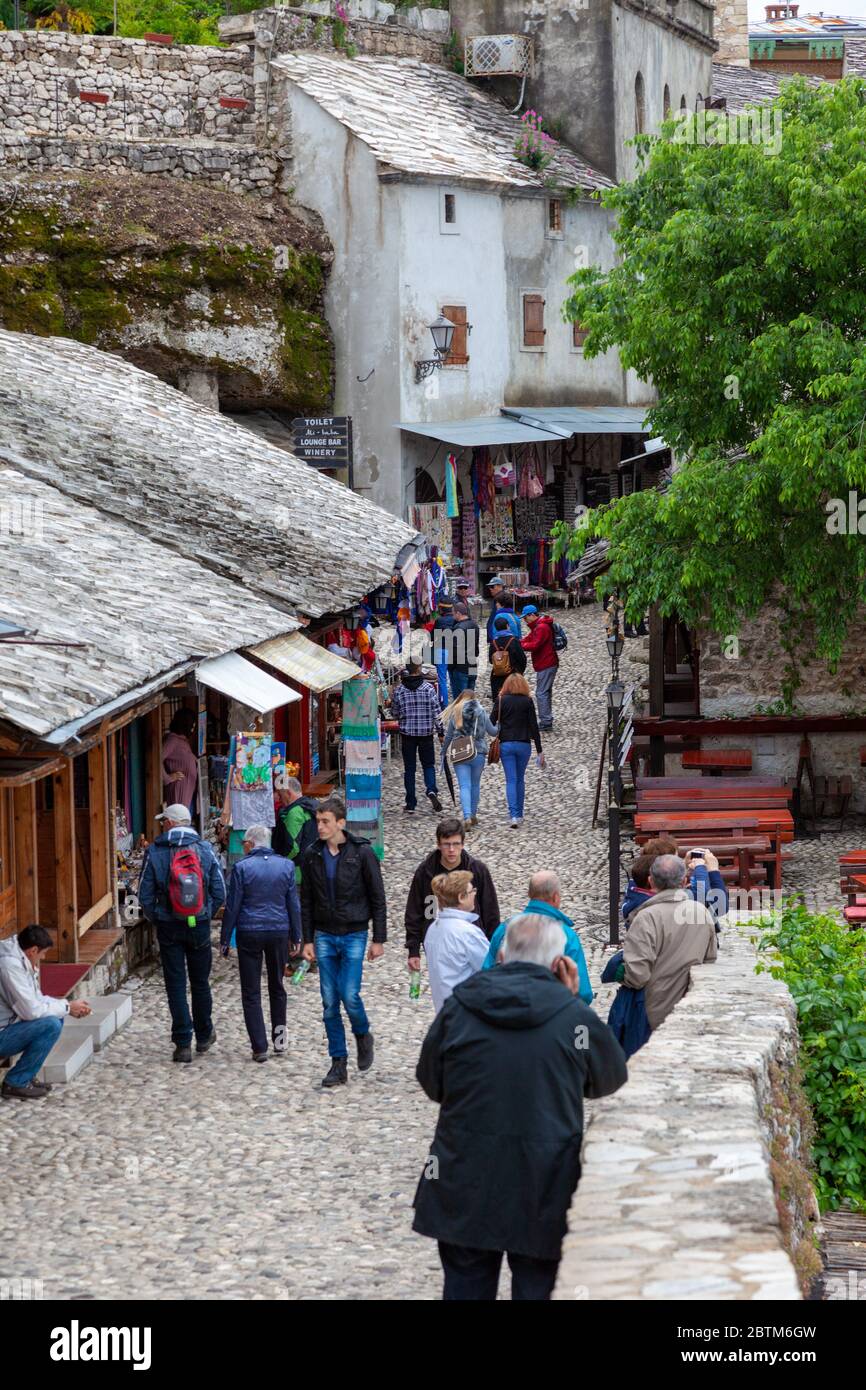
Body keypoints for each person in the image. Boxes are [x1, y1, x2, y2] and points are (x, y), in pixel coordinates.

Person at [413, 913, 627, 1300]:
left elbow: (432, 1080)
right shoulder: (571, 1017)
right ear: (560, 961)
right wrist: (570, 998)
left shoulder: (460, 1007)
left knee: (465, 1285)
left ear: (503, 954)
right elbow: (608, 1077)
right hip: (543, 1179)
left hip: (465, 1172)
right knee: (537, 1286)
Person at [300, 796, 387, 1088]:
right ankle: (338, 1062)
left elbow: (378, 897)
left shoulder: (361, 853)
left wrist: (379, 938)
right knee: (328, 1003)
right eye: (318, 821)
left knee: (349, 994)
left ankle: (362, 1034)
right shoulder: (312, 855)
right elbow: (307, 900)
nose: (320, 827)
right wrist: (306, 939)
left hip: (353, 932)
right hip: (324, 933)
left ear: (340, 823)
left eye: (325, 821)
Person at [139, 803, 226, 1063]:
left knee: (175, 984)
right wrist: (203, 914)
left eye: (163, 821)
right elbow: (221, 891)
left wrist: (159, 917)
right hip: (197, 924)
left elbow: (144, 895)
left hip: (168, 925)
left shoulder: (155, 851)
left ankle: (182, 1044)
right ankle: (204, 1034)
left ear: (170, 823)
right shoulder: (204, 849)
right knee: (200, 982)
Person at [219, 825, 302, 1062]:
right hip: (278, 930)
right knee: (277, 986)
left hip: (250, 931)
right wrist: (296, 935)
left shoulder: (242, 867)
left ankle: (259, 1046)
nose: (242, 846)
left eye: (244, 843)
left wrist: (225, 938)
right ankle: (280, 1041)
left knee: (251, 991)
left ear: (251, 844)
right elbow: (292, 904)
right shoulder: (285, 866)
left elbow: (233, 905)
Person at [622, 854, 718, 1031]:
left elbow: (637, 975)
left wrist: (618, 972)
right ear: (684, 882)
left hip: (654, 1009)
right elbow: (710, 959)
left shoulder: (645, 917)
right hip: (692, 1004)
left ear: (651, 881)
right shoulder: (702, 913)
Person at [0, 924, 92, 1101]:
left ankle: (25, 1076)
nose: (43, 957)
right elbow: (30, 1011)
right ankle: (16, 1082)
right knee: (50, 1025)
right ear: (33, 950)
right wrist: (67, 1007)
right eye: (43, 954)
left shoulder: (18, 956)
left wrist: (67, 1006)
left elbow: (36, 999)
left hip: (9, 1024)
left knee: (56, 1018)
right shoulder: (9, 966)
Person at [482, 870, 593, 1004]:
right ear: (556, 897)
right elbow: (583, 992)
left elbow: (486, 972)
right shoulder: (567, 936)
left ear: (529, 894)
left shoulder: (506, 928)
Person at [405, 819, 500, 972]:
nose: (451, 849)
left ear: (463, 844)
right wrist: (413, 949)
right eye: (446, 844)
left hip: (472, 942)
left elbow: (491, 911)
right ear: (438, 844)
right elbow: (414, 911)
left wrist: (492, 947)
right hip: (437, 942)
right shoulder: (425, 872)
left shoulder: (478, 871)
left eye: (456, 844)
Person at [424, 871, 490, 1014]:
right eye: (472, 891)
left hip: (442, 1008)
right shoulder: (468, 933)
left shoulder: (433, 928)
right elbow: (489, 967)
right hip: (466, 1010)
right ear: (461, 897)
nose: (474, 894)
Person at [389, 661, 444, 815]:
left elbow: (395, 713)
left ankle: (411, 803)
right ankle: (431, 789)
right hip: (426, 734)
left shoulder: (400, 690)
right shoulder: (428, 689)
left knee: (410, 769)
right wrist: (440, 732)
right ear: (419, 668)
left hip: (408, 736)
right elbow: (436, 712)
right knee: (428, 765)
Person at [441, 689, 498, 828]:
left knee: (464, 785)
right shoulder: (481, 711)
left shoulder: (457, 711)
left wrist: (443, 752)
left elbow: (448, 736)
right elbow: (493, 731)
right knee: (475, 785)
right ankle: (472, 815)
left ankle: (466, 816)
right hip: (478, 752)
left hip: (460, 752)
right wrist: (500, 724)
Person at [497, 673, 543, 829]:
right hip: (524, 745)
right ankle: (520, 813)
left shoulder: (502, 700)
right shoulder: (527, 701)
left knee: (511, 779)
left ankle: (513, 816)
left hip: (506, 744)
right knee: (520, 779)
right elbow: (534, 727)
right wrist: (540, 750)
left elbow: (491, 721)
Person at [271, 776, 318, 890]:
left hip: (296, 872)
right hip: (313, 869)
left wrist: (278, 864)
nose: (278, 799)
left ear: (288, 793)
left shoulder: (294, 813)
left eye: (280, 794)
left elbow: (292, 847)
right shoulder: (312, 805)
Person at [520, 605, 559, 732]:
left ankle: (546, 722)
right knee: (545, 692)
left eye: (525, 618)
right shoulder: (539, 626)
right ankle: (547, 719)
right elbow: (530, 638)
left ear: (532, 615)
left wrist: (521, 646)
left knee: (541, 693)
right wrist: (518, 641)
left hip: (546, 663)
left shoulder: (541, 627)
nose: (525, 621)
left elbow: (535, 644)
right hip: (547, 662)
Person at [162, 707, 199, 815]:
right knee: (179, 821)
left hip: (188, 793)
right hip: (179, 793)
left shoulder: (183, 741)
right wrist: (168, 778)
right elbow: (158, 759)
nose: (193, 728)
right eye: (192, 724)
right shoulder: (173, 740)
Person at [489, 612, 527, 706]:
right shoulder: (514, 641)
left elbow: (491, 660)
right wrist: (519, 673)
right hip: (512, 675)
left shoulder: (493, 643)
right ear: (507, 626)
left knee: (500, 701)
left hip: (497, 676)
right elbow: (522, 659)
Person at [451, 601, 480, 695]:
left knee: (460, 699)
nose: (452, 616)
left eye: (453, 614)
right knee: (470, 696)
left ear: (458, 613)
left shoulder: (458, 628)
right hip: (472, 664)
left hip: (461, 667)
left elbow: (455, 651)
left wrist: (451, 667)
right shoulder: (474, 625)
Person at [486, 576, 521, 644]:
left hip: (499, 640)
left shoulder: (501, 599)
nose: (490, 589)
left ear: (500, 586)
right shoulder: (499, 598)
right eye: (489, 587)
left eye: (492, 586)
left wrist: (494, 640)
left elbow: (497, 621)